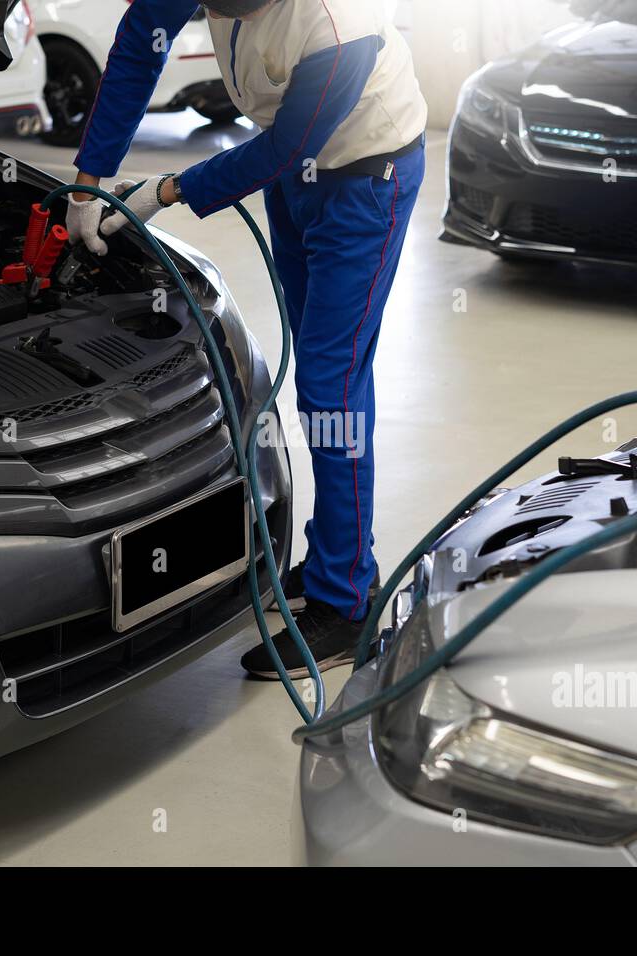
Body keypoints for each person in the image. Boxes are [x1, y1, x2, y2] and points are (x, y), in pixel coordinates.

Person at [69, 0, 427, 678]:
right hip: (297, 177)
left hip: (364, 179)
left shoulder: (335, 25)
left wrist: (165, 191)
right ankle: (338, 557)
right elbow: (138, 49)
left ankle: (347, 603)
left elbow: (286, 145)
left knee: (330, 386)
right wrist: (88, 183)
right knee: (331, 366)